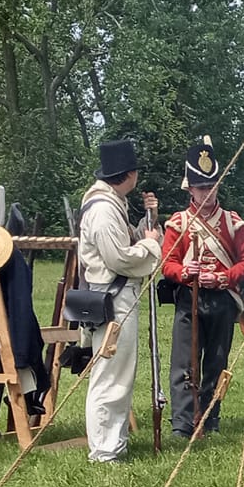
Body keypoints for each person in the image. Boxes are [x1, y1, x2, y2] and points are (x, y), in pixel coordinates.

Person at [159, 134, 244, 438]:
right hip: (189, 298)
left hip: (222, 300)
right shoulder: (178, 223)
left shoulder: (231, 222)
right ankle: (183, 423)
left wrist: (224, 278)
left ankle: (210, 417)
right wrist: (184, 272)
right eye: (202, 187)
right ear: (190, 188)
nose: (208, 193)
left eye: (212, 187)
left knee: (216, 362)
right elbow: (167, 264)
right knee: (183, 364)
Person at [78, 138, 161, 462]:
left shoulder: (111, 203)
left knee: (117, 375)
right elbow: (119, 259)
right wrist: (152, 245)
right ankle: (104, 450)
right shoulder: (102, 209)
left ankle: (112, 444)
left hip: (114, 296)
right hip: (112, 298)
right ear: (128, 175)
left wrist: (150, 217)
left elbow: (131, 239)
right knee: (110, 377)